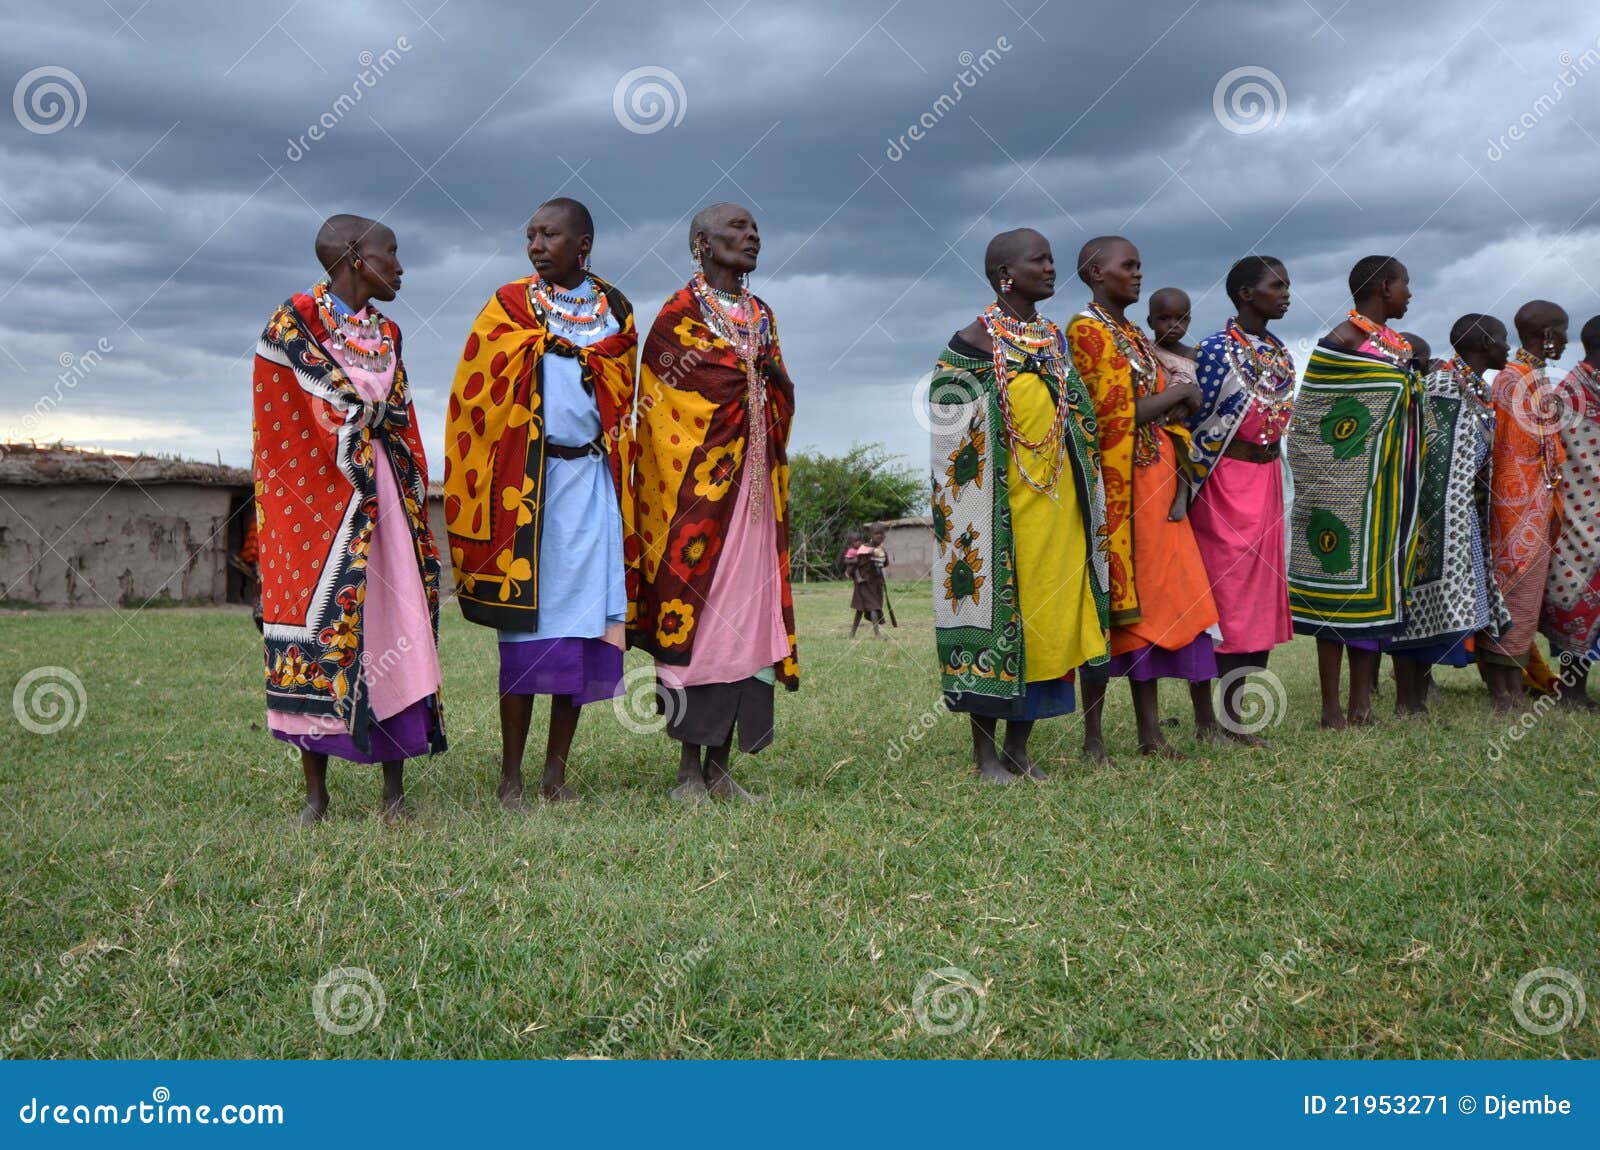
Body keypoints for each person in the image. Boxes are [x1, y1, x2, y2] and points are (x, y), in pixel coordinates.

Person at [443, 198, 638, 807]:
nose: (535, 245)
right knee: (524, 636)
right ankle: (510, 777)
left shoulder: (616, 309)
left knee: (579, 633)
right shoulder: (508, 305)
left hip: (593, 484)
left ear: (583, 246)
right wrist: (540, 348)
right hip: (525, 487)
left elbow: (624, 390)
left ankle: (555, 777)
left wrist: (574, 356)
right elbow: (474, 391)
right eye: (530, 235)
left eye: (549, 235)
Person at [252, 214, 445, 826]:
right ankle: (317, 796)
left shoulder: (388, 332)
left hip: (385, 505)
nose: (400, 267)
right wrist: (364, 420)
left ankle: (394, 795)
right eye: (392, 253)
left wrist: (391, 452)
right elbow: (287, 420)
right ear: (357, 257)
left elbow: (401, 414)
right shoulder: (293, 324)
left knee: (394, 627)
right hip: (317, 509)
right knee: (320, 635)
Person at [628, 203, 797, 804]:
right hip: (696, 501)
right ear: (701, 242)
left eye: (756, 228)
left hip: (755, 495)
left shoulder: (762, 315)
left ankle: (721, 770)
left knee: (747, 621)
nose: (752, 236)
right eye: (738, 228)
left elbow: (777, 389)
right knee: (699, 622)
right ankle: (686, 772)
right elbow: (662, 411)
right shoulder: (678, 316)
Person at [930, 228, 1108, 782]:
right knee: (998, 620)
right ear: (1005, 274)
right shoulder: (970, 345)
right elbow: (950, 435)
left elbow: (1079, 417)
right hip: (994, 516)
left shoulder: (1051, 340)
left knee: (1047, 623)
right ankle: (985, 757)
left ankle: (1018, 751)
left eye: (1052, 259)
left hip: (1057, 508)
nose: (1052, 267)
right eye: (1040, 260)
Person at [1068, 236, 1218, 761]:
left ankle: (1156, 734)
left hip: (1156, 478)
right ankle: (1097, 738)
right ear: (1095, 272)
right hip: (1120, 488)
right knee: (1121, 607)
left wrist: (1174, 404)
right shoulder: (1086, 330)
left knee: (1165, 597)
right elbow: (1112, 415)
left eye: (1139, 266)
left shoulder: (1132, 333)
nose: (1137, 274)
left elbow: (1146, 405)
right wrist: (1179, 394)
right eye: (1127, 266)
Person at [1286, 255, 1423, 727]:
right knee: (1335, 593)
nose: (1409, 294)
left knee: (1375, 594)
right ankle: (1330, 707)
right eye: (1405, 284)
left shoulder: (1397, 345)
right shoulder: (1342, 340)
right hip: (1339, 487)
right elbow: (1314, 414)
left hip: (1384, 492)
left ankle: (1361, 705)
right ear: (1384, 287)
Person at [1184, 257, 1296, 743]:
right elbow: (1193, 421)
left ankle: (1235, 719)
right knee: (1219, 597)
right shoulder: (1214, 350)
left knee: (1258, 599)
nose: (1286, 293)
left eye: (1287, 285)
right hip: (1221, 483)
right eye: (1277, 285)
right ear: (1247, 294)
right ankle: (1206, 721)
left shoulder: (1279, 351)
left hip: (1267, 480)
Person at [1387, 316, 1513, 702]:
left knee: (1445, 603)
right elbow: (1433, 463)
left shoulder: (1476, 389)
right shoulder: (1444, 385)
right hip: (1433, 519)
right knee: (1419, 603)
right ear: (1484, 342)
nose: (1507, 347)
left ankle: (1418, 696)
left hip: (1463, 514)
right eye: (1502, 339)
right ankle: (1409, 700)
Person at [1480, 300, 1568, 708]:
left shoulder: (1528, 378)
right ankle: (1505, 690)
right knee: (1515, 596)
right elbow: (1510, 454)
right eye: (1562, 332)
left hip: (1532, 504)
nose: (1565, 340)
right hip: (1517, 509)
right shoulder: (1514, 380)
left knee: (1521, 599)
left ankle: (1511, 684)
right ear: (1547, 335)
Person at [1541, 313, 1600, 707]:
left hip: (1580, 515)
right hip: (1576, 515)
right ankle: (1572, 690)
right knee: (1574, 598)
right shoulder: (1567, 394)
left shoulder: (1564, 392)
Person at [1148, 286, 1196, 523]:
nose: (1173, 325)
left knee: (1182, 448)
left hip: (1177, 416)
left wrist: (1185, 405)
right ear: (1150, 322)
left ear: (1189, 321)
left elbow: (1192, 388)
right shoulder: (1146, 349)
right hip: (1153, 412)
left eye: (1181, 319)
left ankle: (1182, 492)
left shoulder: (1190, 353)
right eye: (1164, 319)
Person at [848, 523, 889, 638]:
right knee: (872, 607)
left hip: (875, 583)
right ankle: (877, 635)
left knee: (861, 609)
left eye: (881, 534)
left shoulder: (880, 549)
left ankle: (852, 634)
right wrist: (872, 554)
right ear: (871, 535)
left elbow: (885, 563)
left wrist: (881, 555)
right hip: (863, 583)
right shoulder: (864, 549)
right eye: (876, 533)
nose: (879, 536)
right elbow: (855, 564)